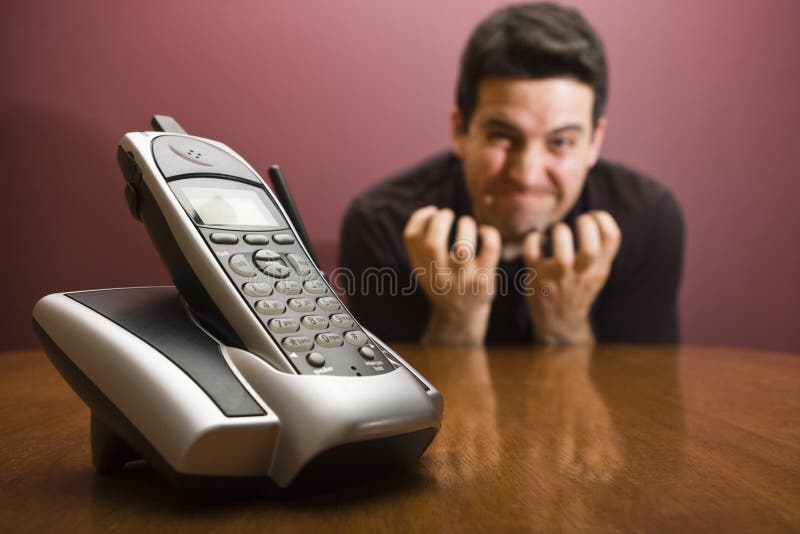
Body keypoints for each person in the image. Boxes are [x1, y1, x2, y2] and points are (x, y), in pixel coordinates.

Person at [338, 2, 684, 346]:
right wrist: (456, 322)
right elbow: (388, 399)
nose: (526, 173)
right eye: (502, 137)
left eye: (560, 141)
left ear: (594, 143)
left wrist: (566, 329)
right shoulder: (382, 224)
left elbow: (642, 397)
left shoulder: (645, 220)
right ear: (461, 131)